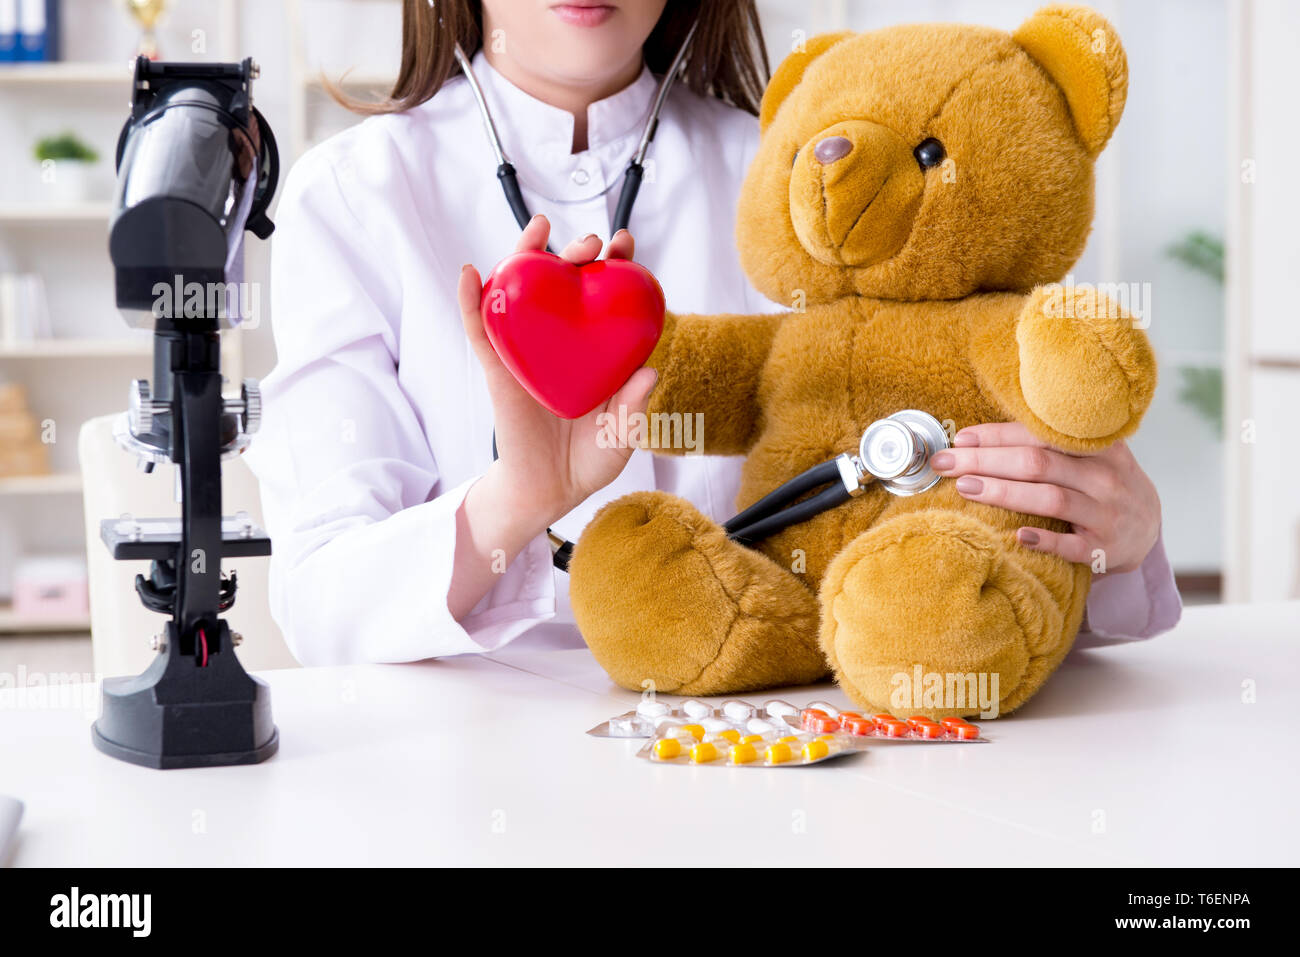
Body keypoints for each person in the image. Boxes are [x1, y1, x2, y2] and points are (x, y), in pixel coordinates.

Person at [246, 0, 1180, 665]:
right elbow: (324, 607)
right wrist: (516, 500)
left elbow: (954, 537)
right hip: (464, 774)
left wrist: (1120, 541)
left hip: (779, 750)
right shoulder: (353, 198)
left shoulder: (806, 192)